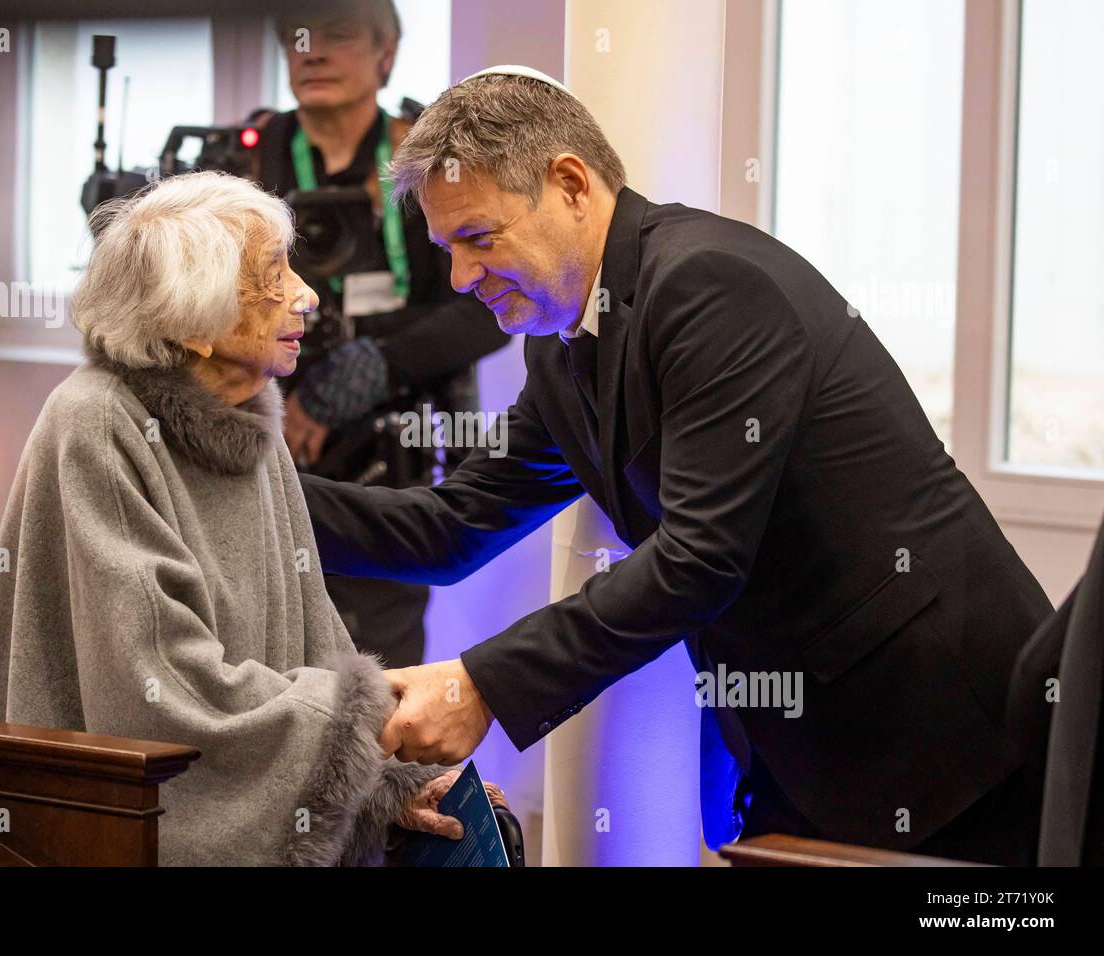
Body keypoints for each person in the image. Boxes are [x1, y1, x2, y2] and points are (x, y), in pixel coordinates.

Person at [298, 67, 1054, 865]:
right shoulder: (560, 344)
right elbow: (452, 525)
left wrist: (485, 682)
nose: (460, 277)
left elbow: (700, 559)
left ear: (570, 184)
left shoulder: (707, 285)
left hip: (945, 735)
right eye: (447, 249)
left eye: (479, 238)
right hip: (797, 745)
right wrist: (254, 491)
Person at [0, 171, 506, 865]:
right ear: (196, 321)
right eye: (275, 276)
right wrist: (361, 714)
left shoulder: (250, 420)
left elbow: (316, 641)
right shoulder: (94, 422)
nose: (307, 296)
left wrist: (388, 781)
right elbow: (157, 692)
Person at [253, 0, 509, 668]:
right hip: (266, 454)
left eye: (337, 36)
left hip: (387, 462)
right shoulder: (247, 161)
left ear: (386, 54)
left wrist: (370, 367)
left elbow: (482, 308)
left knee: (376, 682)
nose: (312, 51)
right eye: (296, 36)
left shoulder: (426, 161)